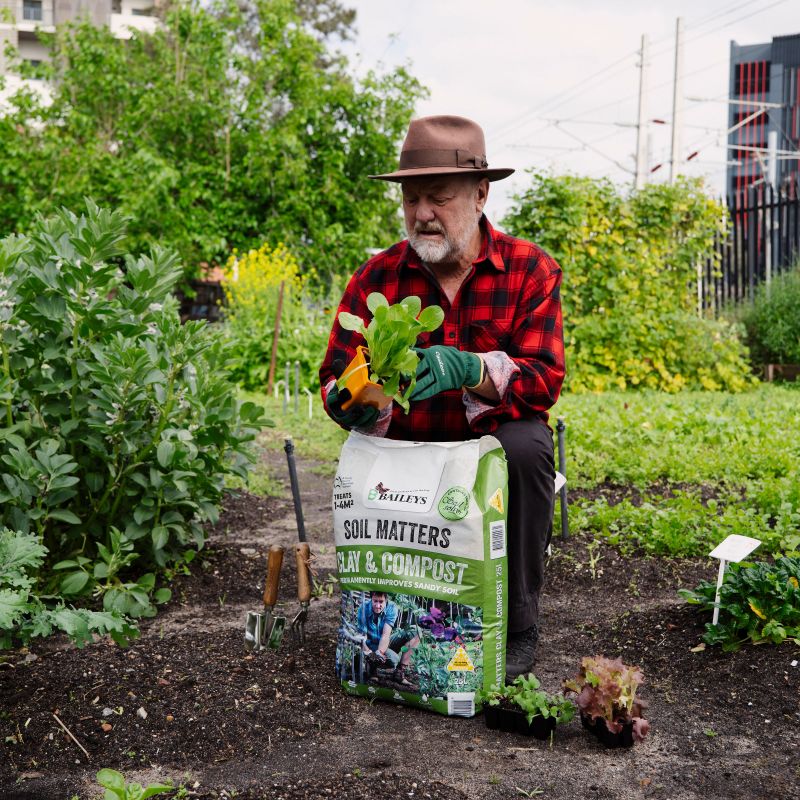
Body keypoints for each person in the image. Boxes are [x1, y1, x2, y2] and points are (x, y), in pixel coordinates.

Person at [320, 115, 565, 679]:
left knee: (529, 446)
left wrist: (471, 368)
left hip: (487, 450)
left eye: (438, 197)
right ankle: (389, 609)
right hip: (405, 447)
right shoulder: (376, 277)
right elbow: (334, 374)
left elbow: (544, 379)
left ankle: (519, 621)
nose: (422, 213)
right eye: (411, 199)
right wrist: (351, 400)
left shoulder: (530, 269)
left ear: (480, 195)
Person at [356, 591, 419, 685]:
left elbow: (386, 634)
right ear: (371, 599)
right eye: (375, 601)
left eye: (381, 602)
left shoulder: (392, 607)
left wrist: (379, 653)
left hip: (385, 641)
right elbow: (362, 636)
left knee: (415, 632)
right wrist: (368, 652)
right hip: (371, 644)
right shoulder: (363, 608)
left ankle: (399, 673)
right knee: (393, 659)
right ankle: (372, 670)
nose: (378, 605)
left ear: (386, 600)